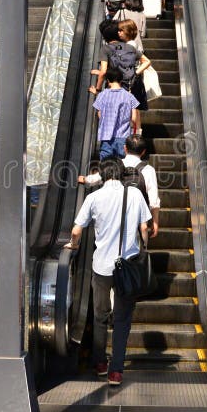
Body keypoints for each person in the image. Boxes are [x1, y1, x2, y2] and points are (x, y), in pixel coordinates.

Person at [64, 158, 152, 386]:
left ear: (102, 175)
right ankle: (116, 372)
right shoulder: (134, 195)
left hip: (102, 266)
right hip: (128, 266)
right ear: (122, 174)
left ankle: (100, 363)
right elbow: (144, 228)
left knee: (100, 316)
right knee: (123, 320)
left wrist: (73, 245)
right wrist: (144, 247)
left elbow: (76, 230)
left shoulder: (93, 197)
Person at [91, 20, 152, 117]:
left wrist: (97, 90)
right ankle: (131, 130)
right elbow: (147, 61)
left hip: (115, 85)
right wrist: (136, 73)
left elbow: (103, 72)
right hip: (129, 84)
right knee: (131, 109)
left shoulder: (106, 49)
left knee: (106, 111)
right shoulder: (129, 47)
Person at [93, 66, 140, 160]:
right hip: (124, 137)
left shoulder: (102, 95)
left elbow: (99, 114)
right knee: (122, 163)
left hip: (106, 136)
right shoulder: (129, 96)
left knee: (106, 165)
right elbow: (134, 118)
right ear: (121, 80)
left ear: (108, 80)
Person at [123, 134, 160, 238]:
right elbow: (154, 200)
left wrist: (86, 179)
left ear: (125, 148)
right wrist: (155, 221)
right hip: (138, 218)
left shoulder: (115, 165)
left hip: (115, 215)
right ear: (143, 152)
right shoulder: (149, 170)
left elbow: (99, 177)